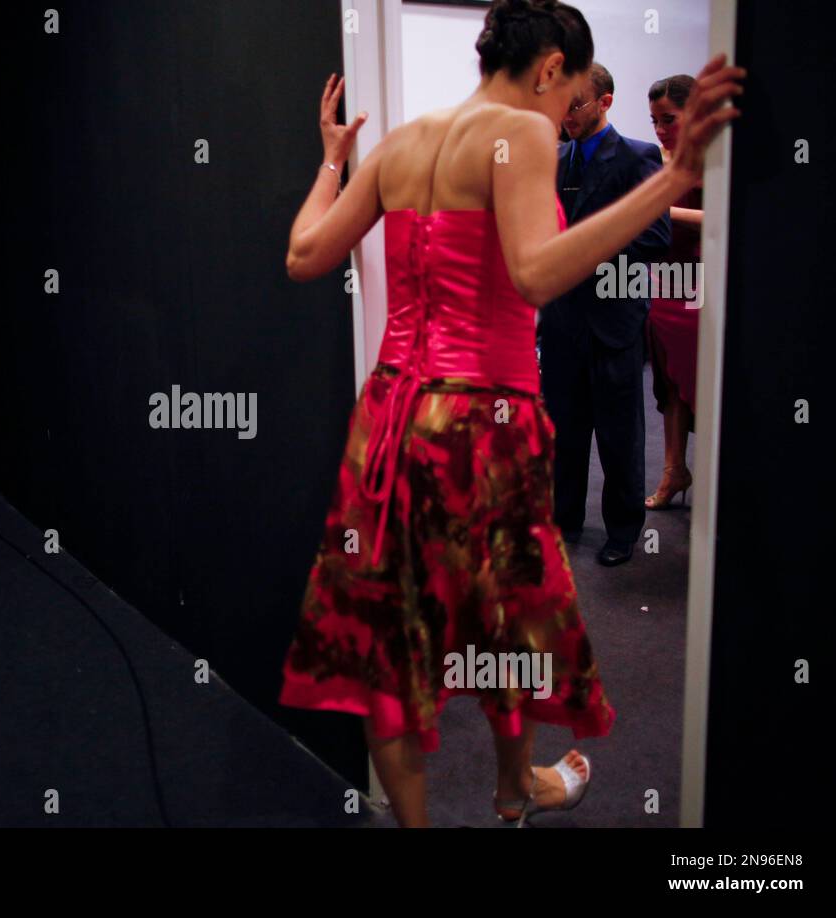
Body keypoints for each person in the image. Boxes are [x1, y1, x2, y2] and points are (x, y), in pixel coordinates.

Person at [278, 0, 743, 828]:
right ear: (552, 66)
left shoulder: (403, 142)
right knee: (507, 618)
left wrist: (330, 163)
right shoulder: (521, 133)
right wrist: (674, 179)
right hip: (479, 423)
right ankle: (512, 791)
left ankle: (465, 804)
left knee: (396, 633)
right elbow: (533, 274)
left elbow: (305, 255)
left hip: (386, 417)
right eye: (567, 101)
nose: (565, 120)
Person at [540, 62, 671, 567]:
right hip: (562, 320)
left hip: (614, 319)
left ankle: (622, 532)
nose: (566, 116)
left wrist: (583, 250)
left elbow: (655, 238)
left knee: (619, 437)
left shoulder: (639, 157)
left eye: (575, 105)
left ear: (605, 101)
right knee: (565, 434)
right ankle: (564, 521)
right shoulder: (552, 159)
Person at [645, 74, 701, 509]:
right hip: (663, 280)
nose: (661, 129)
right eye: (655, 121)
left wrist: (666, 209)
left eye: (669, 119)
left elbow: (725, 216)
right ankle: (674, 471)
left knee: (700, 380)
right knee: (668, 384)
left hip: (702, 281)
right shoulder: (658, 157)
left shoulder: (716, 157)